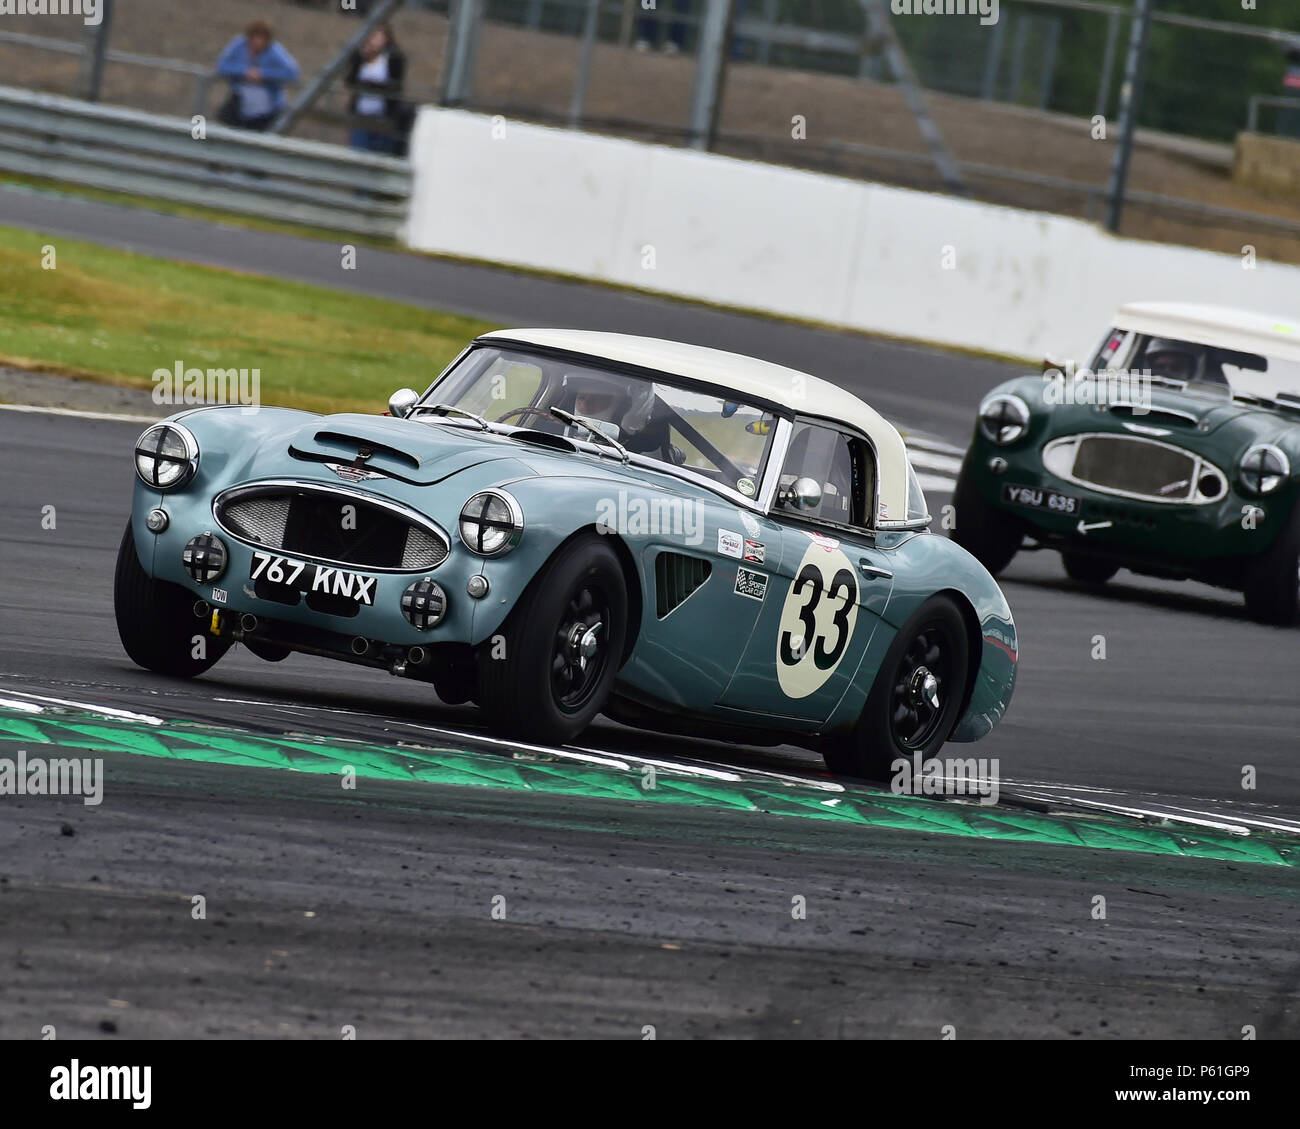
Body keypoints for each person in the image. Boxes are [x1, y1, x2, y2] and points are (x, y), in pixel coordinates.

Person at [215, 19, 300, 132]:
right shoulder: (239, 46)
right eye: (255, 38)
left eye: (262, 39)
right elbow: (222, 65)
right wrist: (244, 71)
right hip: (240, 100)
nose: (257, 42)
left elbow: (292, 72)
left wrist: (263, 74)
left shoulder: (274, 52)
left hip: (267, 106)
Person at [345, 22, 409, 155]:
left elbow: (396, 85)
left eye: (379, 35)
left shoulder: (393, 58)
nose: (376, 39)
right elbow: (350, 80)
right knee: (358, 151)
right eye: (373, 35)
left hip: (383, 116)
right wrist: (360, 58)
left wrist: (373, 85)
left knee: (380, 153)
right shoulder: (360, 56)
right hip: (362, 114)